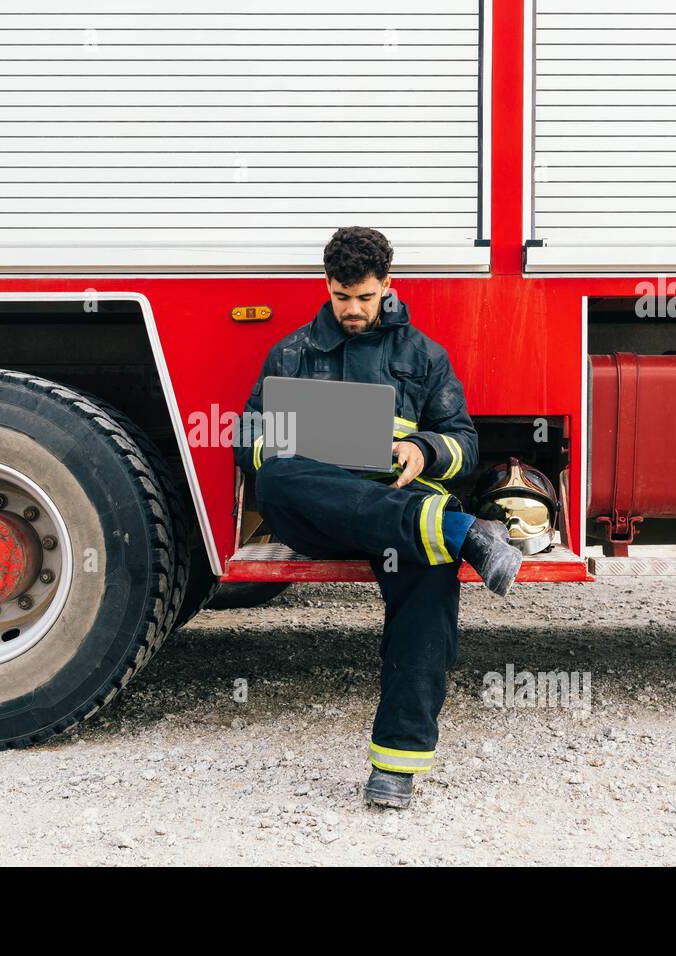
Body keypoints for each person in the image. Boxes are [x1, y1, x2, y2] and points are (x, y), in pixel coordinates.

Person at [232, 226, 523, 809]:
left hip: (400, 515)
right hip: (322, 515)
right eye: (342, 298)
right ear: (327, 286)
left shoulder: (423, 356)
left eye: (365, 298)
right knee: (280, 475)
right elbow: (247, 436)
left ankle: (396, 765)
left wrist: (426, 450)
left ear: (387, 285)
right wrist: (291, 441)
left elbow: (464, 444)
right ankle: (462, 532)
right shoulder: (292, 352)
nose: (354, 310)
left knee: (429, 580)